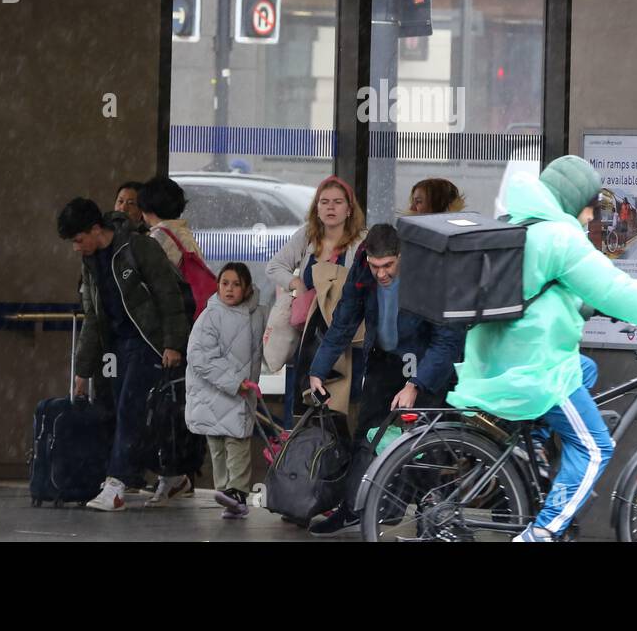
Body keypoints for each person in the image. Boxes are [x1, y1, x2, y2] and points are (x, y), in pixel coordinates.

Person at [449, 155, 637, 542]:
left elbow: (537, 290)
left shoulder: (518, 224)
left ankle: (529, 443)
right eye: (588, 207)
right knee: (594, 447)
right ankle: (543, 532)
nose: (588, 217)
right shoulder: (560, 237)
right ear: (572, 200)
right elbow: (615, 288)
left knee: (587, 370)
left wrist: (582, 305)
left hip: (495, 358)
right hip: (536, 366)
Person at [305, 223, 467, 536]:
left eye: (389, 265)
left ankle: (430, 515)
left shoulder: (429, 273)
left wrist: (416, 384)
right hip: (383, 360)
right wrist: (318, 369)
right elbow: (344, 319)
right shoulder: (362, 269)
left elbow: (446, 341)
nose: (381, 274)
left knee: (425, 442)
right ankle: (352, 508)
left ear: (401, 256)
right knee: (366, 433)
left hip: (425, 363)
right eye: (375, 266)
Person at [57, 197, 188, 511]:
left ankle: (116, 484)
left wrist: (172, 343)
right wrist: (82, 370)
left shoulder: (139, 248)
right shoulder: (90, 264)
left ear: (95, 229)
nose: (76, 248)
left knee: (131, 408)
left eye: (78, 240)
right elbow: (92, 316)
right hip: (113, 348)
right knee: (120, 410)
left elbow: (169, 296)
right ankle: (172, 473)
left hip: (147, 342)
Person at [265, 176, 365, 422]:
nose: (331, 207)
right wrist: (295, 283)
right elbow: (274, 266)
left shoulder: (361, 241)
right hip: (307, 334)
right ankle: (301, 452)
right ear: (316, 209)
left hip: (345, 334)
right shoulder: (307, 236)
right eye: (324, 202)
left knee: (341, 402)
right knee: (302, 401)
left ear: (349, 209)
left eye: (338, 202)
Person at [136, 175, 208, 505]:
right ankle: (176, 475)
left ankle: (173, 474)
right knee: (179, 405)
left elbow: (160, 292)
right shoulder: (184, 233)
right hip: (196, 330)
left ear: (145, 207)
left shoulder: (158, 239)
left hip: (174, 334)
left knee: (164, 407)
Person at [185, 263, 266, 520]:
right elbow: (200, 357)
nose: (229, 289)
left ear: (247, 288)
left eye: (236, 284)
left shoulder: (257, 314)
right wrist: (234, 382)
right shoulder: (210, 316)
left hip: (239, 394)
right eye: (225, 283)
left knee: (238, 443)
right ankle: (227, 492)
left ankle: (237, 493)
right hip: (215, 393)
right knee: (218, 445)